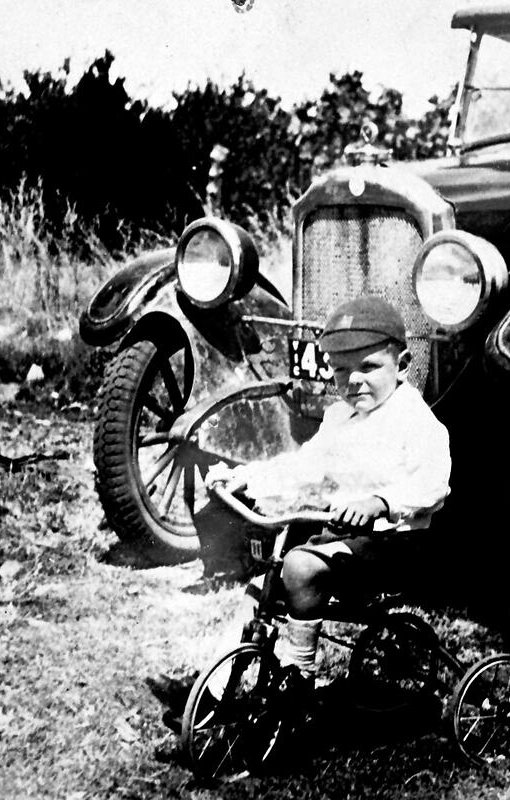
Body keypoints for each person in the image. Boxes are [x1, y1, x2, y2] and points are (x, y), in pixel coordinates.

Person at [148, 295, 451, 720]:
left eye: (368, 368)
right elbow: (306, 465)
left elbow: (433, 485)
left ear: (401, 366)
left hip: (398, 547)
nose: (353, 383)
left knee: (300, 567)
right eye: (341, 370)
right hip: (347, 540)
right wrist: (247, 479)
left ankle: (297, 681)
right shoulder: (341, 419)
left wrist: (380, 502)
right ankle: (212, 690)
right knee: (263, 586)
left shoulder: (416, 423)